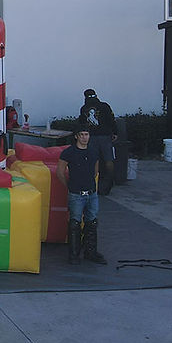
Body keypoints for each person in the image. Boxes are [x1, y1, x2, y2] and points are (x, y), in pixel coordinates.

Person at [56, 126, 108, 265]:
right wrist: (70, 186)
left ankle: (90, 252)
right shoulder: (69, 152)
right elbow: (59, 172)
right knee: (75, 223)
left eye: (87, 134)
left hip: (91, 193)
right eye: (82, 135)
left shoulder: (93, 151)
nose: (85, 137)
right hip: (76, 194)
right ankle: (74, 254)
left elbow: (95, 170)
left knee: (92, 222)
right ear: (76, 137)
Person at [78, 88, 117, 194]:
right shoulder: (104, 106)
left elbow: (81, 123)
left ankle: (93, 183)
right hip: (105, 136)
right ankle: (109, 184)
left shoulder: (84, 108)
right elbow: (111, 120)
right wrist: (115, 132)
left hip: (91, 137)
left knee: (93, 160)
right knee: (109, 160)